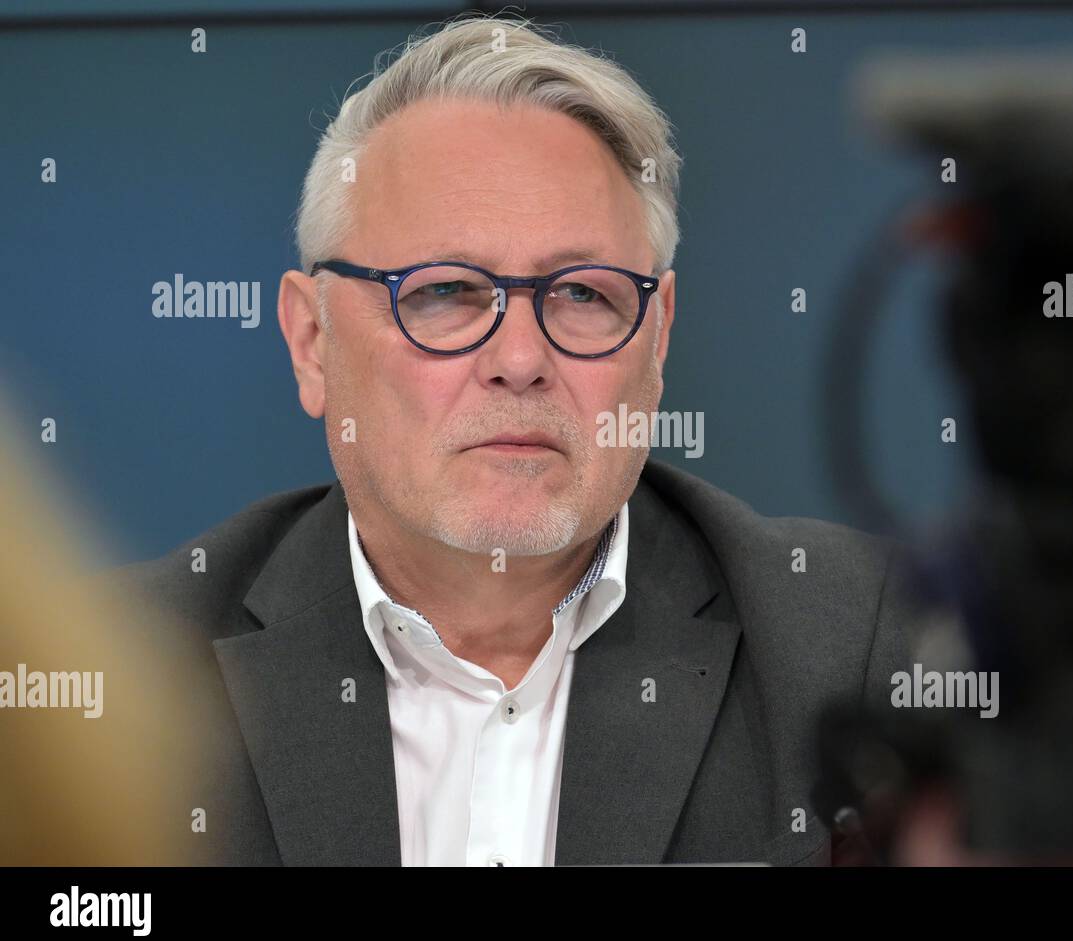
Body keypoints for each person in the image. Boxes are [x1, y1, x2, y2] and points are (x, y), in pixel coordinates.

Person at [109, 11, 918, 866]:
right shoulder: (118, 682)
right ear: (312, 343)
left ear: (659, 341)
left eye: (582, 295)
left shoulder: (866, 649)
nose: (522, 359)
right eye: (445, 291)